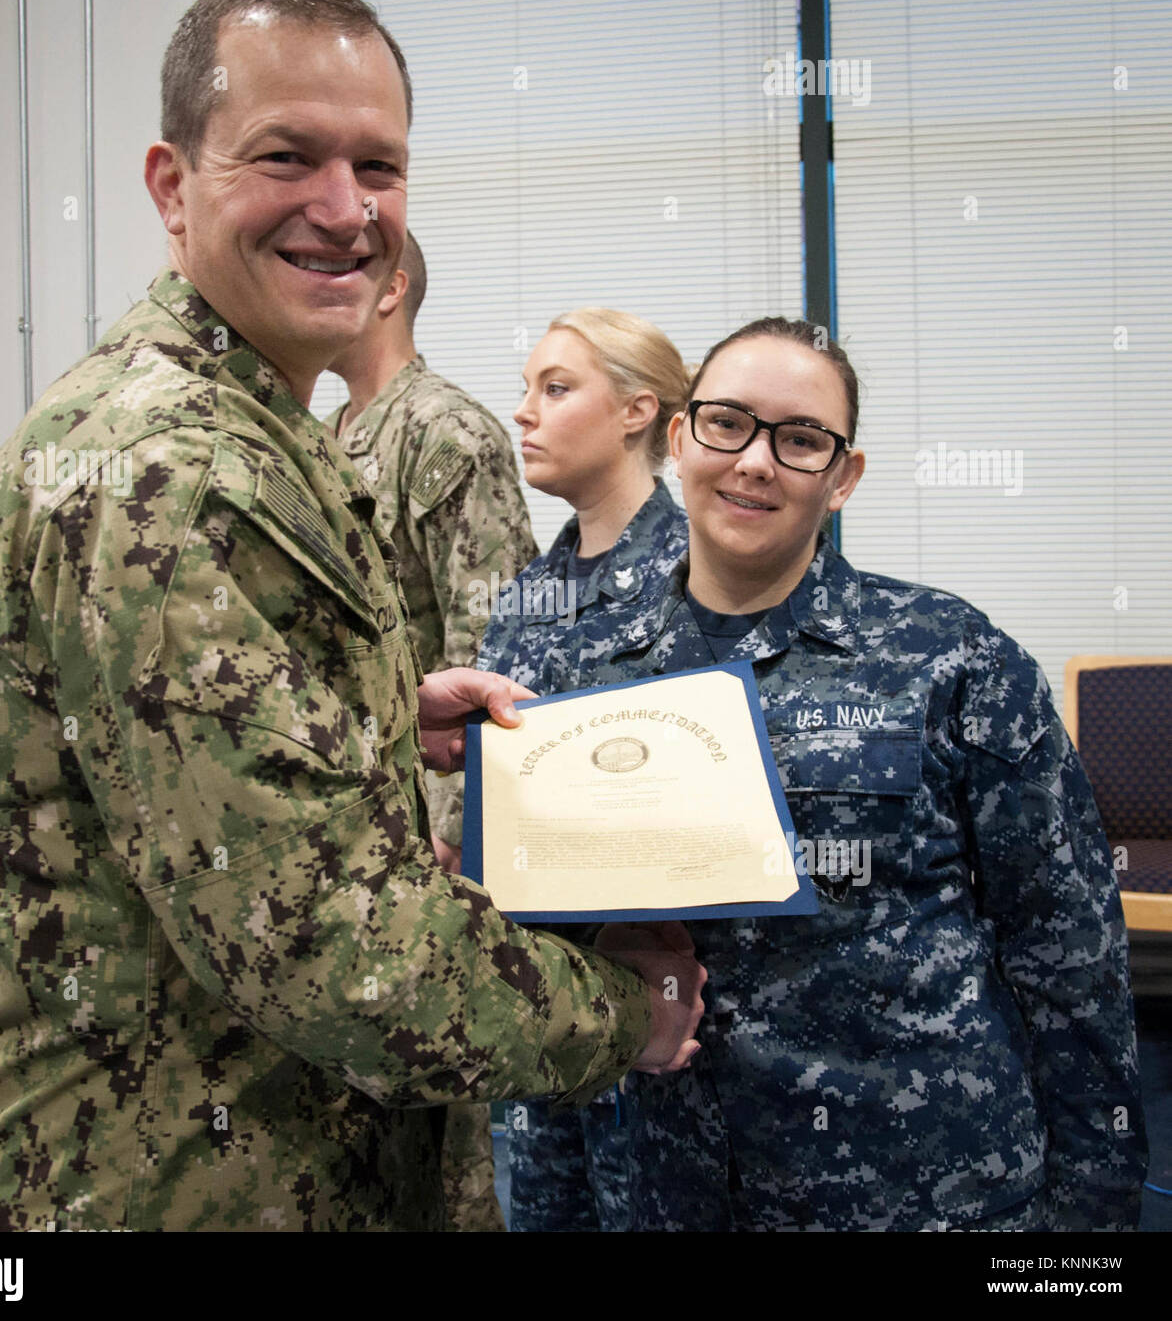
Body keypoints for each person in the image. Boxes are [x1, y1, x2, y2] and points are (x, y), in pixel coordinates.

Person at [0, 0, 703, 1233]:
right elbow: (326, 948)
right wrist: (624, 1012)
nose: (345, 212)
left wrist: (375, 716)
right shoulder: (174, 472)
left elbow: (160, 753)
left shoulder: (253, 423)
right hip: (178, 1177)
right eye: (285, 155)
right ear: (172, 186)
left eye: (380, 167)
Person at [540, 316, 1147, 1230]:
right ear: (678, 437)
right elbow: (559, 965)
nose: (755, 461)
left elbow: (1069, 955)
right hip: (664, 1191)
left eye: (800, 439)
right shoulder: (581, 679)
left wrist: (1087, 1232)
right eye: (728, 423)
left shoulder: (953, 659)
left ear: (842, 477)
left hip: (922, 1194)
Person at [323, 232, 539, 1230]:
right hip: (347, 837)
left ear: (391, 287)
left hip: (433, 844)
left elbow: (497, 648)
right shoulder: (328, 436)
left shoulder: (444, 430)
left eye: (337, 269)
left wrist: (466, 833)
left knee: (451, 1155)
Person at [477, 308, 689, 1231]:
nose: (523, 412)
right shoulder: (526, 597)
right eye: (526, 388)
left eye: (555, 389)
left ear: (638, 410)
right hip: (541, 1003)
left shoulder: (710, 578)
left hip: (667, 1012)